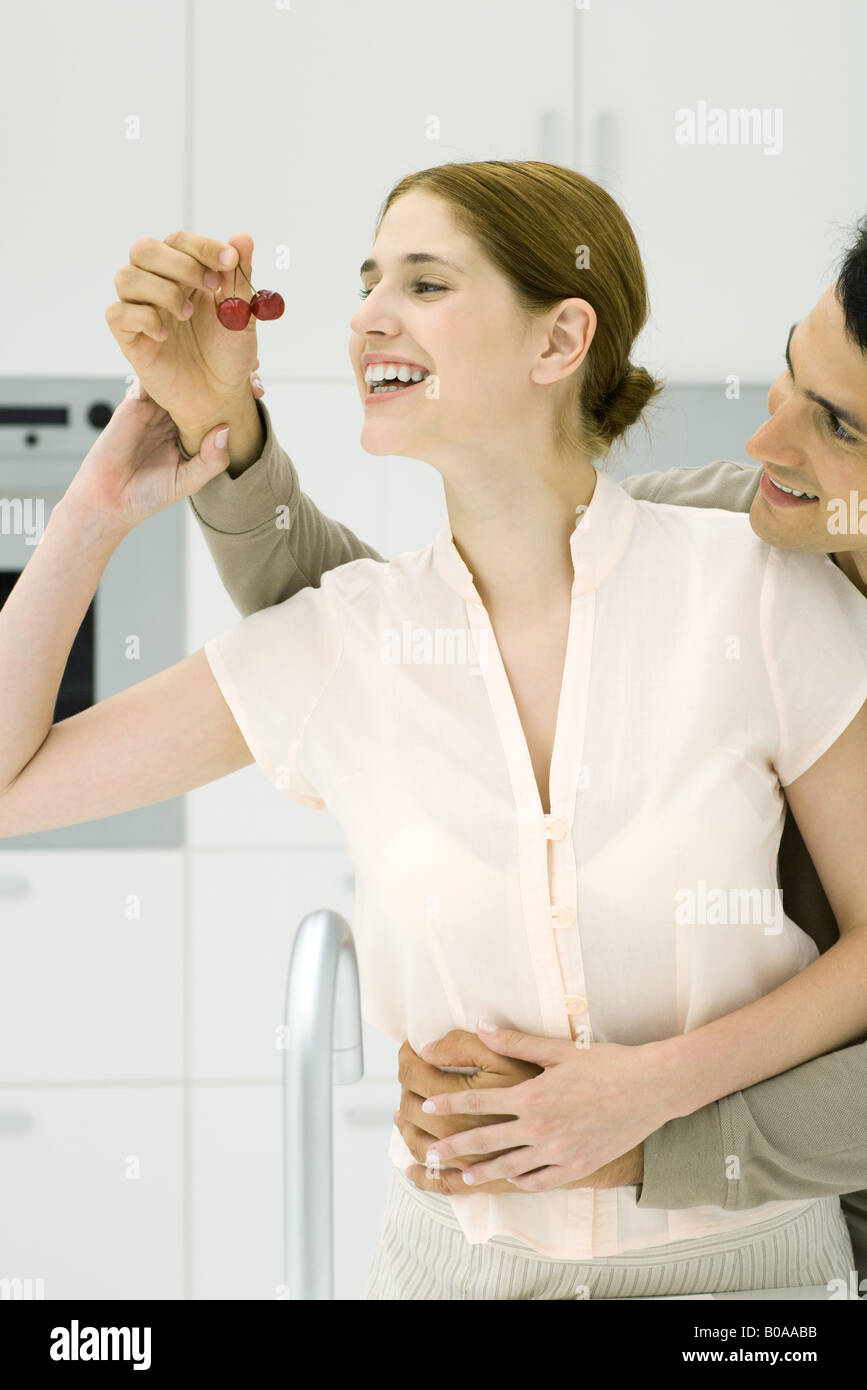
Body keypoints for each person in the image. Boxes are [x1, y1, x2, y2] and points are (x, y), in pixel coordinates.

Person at [3, 161, 864, 1300]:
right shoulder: (350, 639)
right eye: (368, 280)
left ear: (559, 341)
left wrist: (645, 1101)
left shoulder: (758, 587)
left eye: (424, 281)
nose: (367, 313)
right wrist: (96, 507)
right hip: (454, 1273)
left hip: (757, 1289)